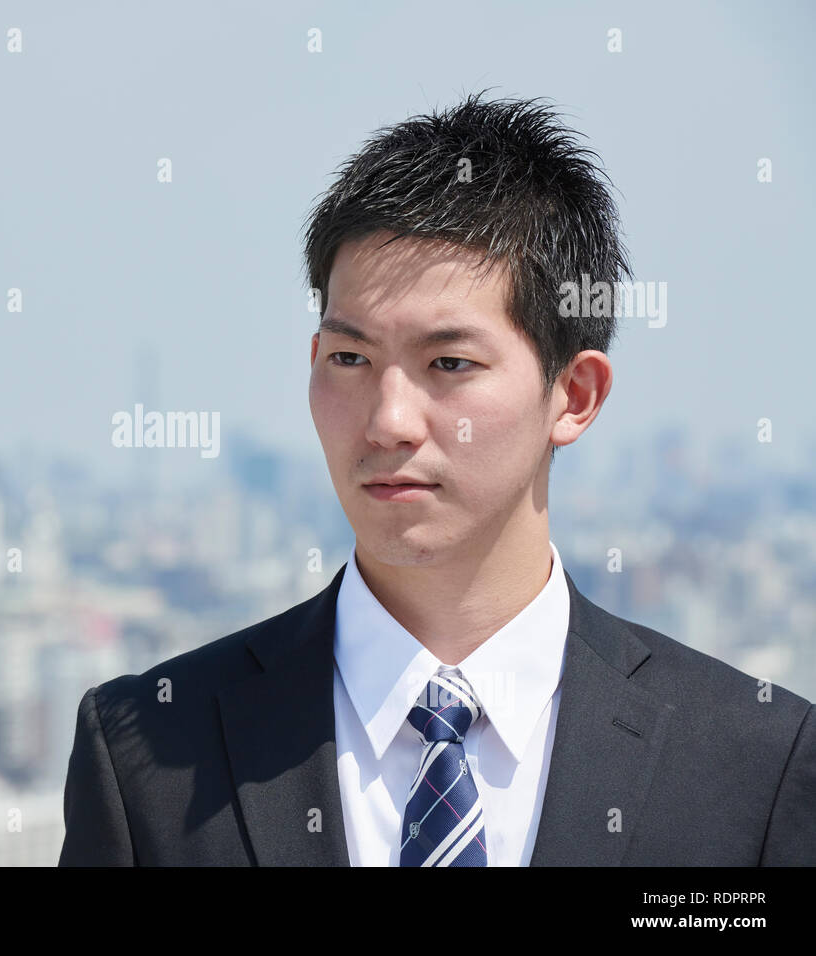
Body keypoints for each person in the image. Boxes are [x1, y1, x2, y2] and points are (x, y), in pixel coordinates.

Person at [57, 93, 816, 866]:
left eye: (449, 364)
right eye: (349, 359)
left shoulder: (753, 767)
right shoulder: (151, 753)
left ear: (574, 395)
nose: (388, 420)